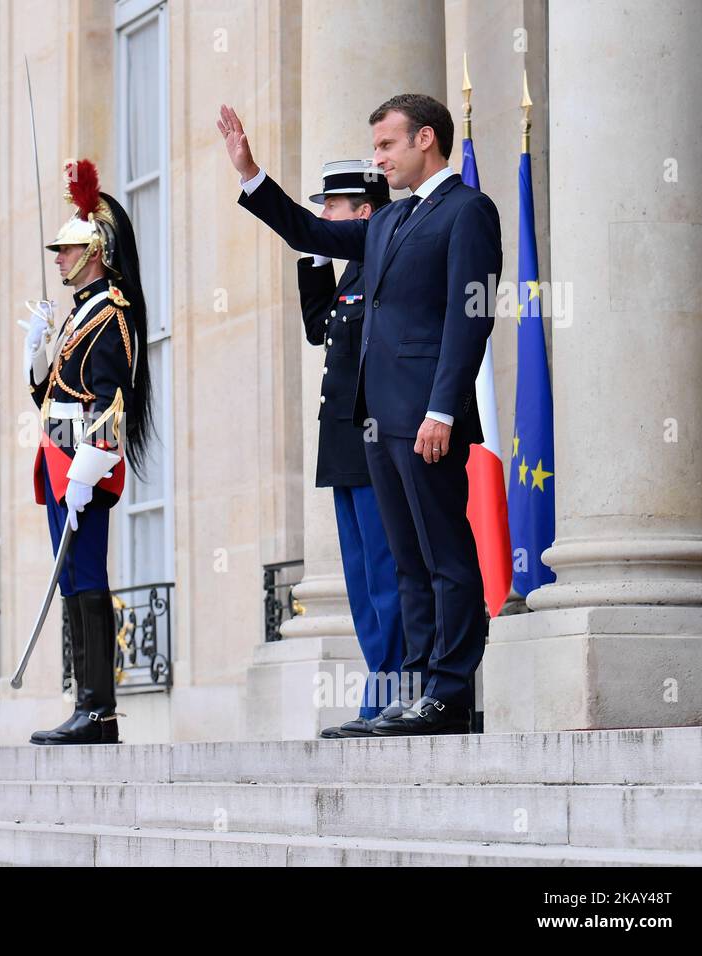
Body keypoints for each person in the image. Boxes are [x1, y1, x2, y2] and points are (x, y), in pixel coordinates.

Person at [218, 94, 501, 735]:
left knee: (446, 556)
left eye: (387, 146)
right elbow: (310, 233)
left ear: (425, 139)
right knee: (406, 563)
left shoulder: (468, 212)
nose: (379, 159)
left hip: (429, 419)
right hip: (376, 420)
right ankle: (415, 689)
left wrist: (443, 409)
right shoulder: (386, 222)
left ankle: (451, 695)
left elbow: (470, 318)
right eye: (375, 146)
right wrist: (250, 174)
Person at [25, 159, 154, 746]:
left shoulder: (112, 313)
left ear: (95, 249)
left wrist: (87, 470)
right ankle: (85, 701)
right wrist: (38, 355)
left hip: (83, 462)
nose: (58, 257)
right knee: (73, 580)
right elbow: (51, 396)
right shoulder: (82, 312)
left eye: (67, 249)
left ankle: (98, 709)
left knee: (86, 578)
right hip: (60, 456)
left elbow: (111, 403)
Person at [287, 160, 407, 737]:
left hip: (372, 438)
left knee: (385, 572)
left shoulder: (381, 268)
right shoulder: (351, 272)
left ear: (364, 212)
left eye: (330, 208)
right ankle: (377, 691)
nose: (322, 216)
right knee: (360, 577)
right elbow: (318, 328)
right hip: (341, 440)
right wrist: (311, 253)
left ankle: (391, 692)